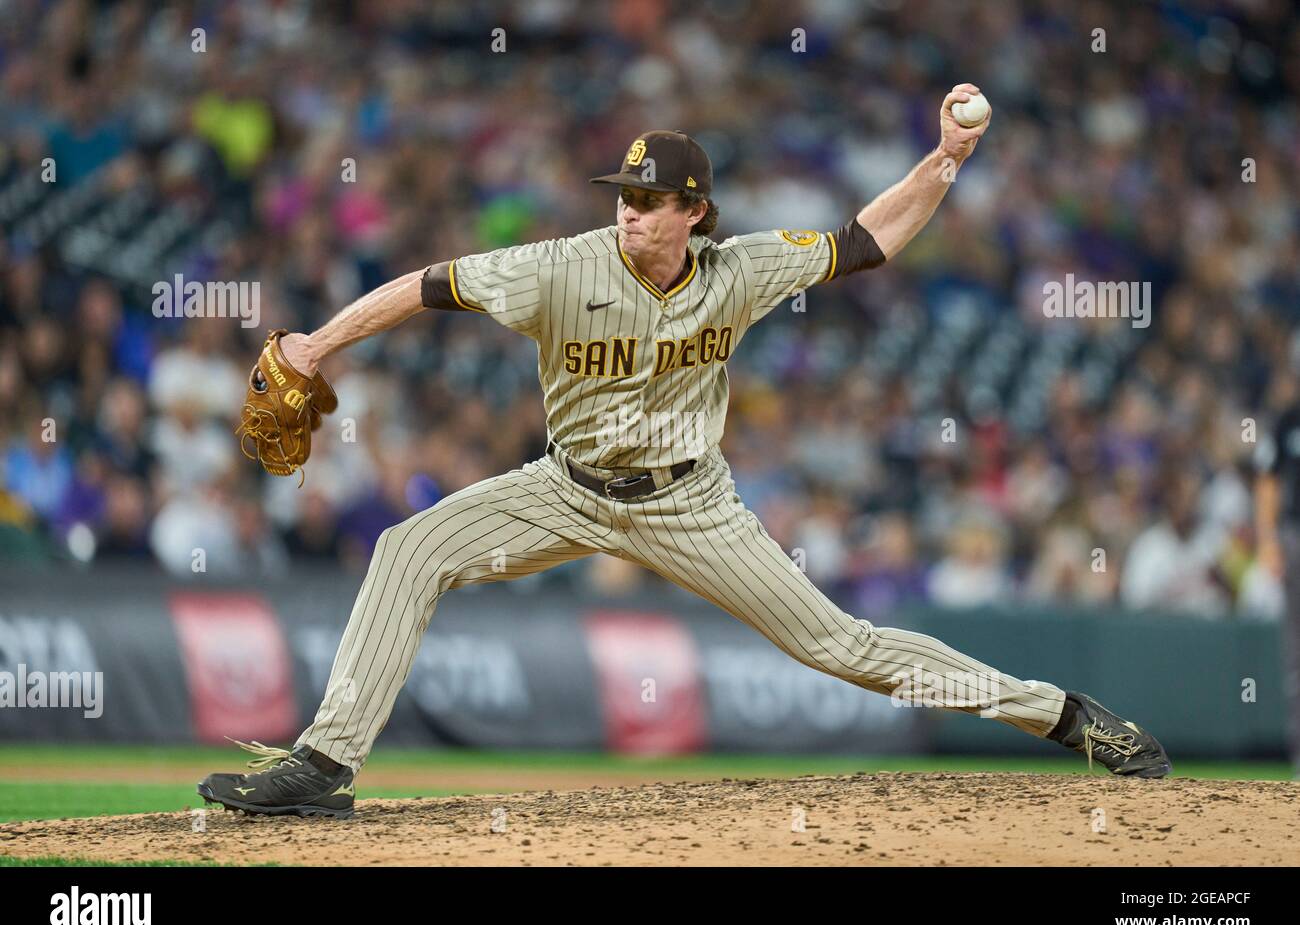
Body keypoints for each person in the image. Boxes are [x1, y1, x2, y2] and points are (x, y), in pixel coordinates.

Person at [198, 85, 1170, 819]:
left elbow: (867, 239)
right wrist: (315, 345)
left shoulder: (739, 270)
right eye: (624, 193)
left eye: (650, 198)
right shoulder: (557, 268)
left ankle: (1061, 714)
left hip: (691, 504)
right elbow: (426, 283)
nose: (629, 210)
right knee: (407, 549)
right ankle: (325, 762)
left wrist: (944, 161)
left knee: (844, 645)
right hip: (565, 487)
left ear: (693, 211)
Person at [1252, 393, 1300, 776]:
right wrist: (1268, 542)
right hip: (1295, 537)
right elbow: (1267, 479)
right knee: (1296, 662)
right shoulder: (1289, 419)